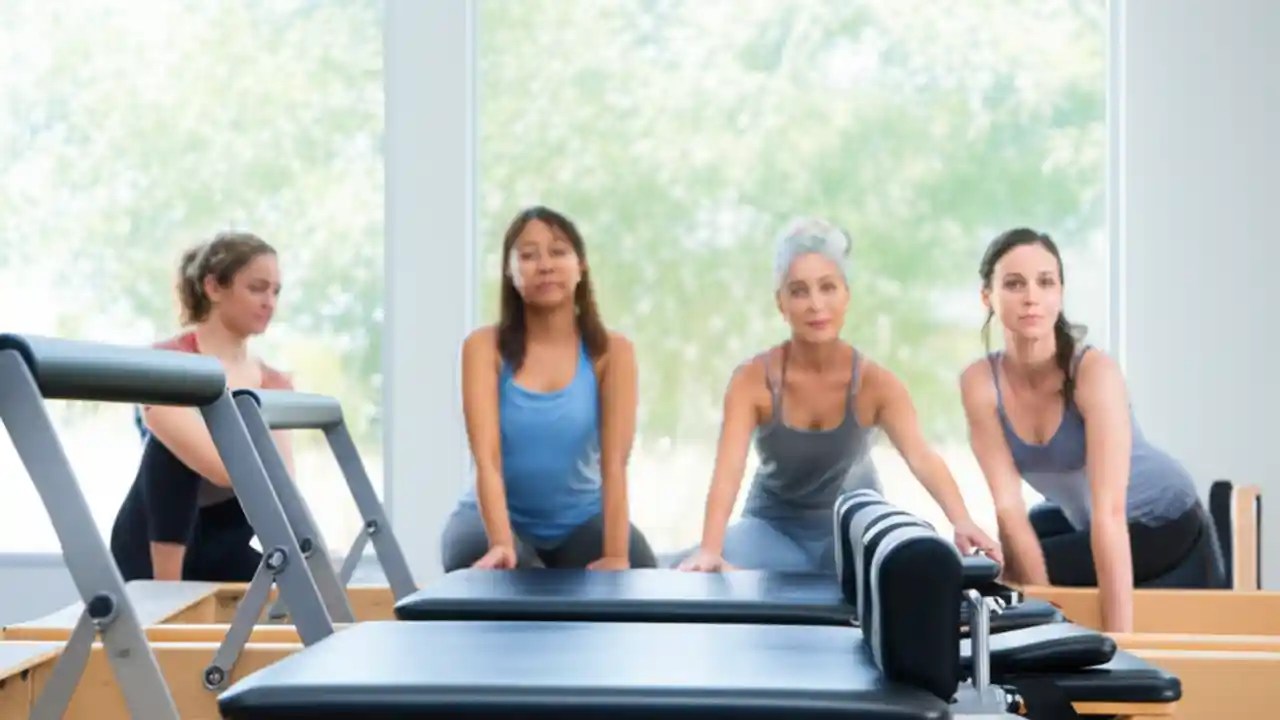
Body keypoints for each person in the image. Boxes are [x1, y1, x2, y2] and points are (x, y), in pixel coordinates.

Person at [679, 218, 1000, 574]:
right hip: (772, 529)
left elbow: (922, 457)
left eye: (827, 287)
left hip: (852, 529)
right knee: (693, 570)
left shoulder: (877, 384)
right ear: (780, 303)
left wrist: (963, 521)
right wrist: (710, 549)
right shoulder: (752, 380)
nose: (815, 304)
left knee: (919, 571)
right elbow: (728, 469)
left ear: (846, 295)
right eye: (799, 291)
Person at [960, 227, 1224, 633]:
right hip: (1082, 517)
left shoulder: (1092, 372)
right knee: (997, 568)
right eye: (1014, 284)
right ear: (987, 297)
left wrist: (1118, 643)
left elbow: (1110, 514)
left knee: (998, 582)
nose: (1031, 296)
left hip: (1163, 519)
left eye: (1045, 282)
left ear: (1060, 293)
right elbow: (1007, 509)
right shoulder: (980, 382)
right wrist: (1037, 614)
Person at [441, 206, 658, 572]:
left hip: (581, 521)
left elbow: (615, 464)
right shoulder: (483, 347)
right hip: (490, 522)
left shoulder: (612, 352)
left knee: (639, 574)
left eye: (558, 252)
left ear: (580, 266)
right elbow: (487, 460)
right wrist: (500, 543)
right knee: (520, 586)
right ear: (510, 272)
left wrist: (617, 556)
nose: (544, 265)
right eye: (528, 256)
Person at [110, 231, 293, 582]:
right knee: (169, 449)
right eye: (256, 288)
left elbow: (283, 485)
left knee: (296, 585)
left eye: (275, 291)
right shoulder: (166, 363)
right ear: (213, 288)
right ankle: (167, 591)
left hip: (224, 539)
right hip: (154, 545)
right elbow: (222, 470)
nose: (269, 301)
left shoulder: (274, 382)